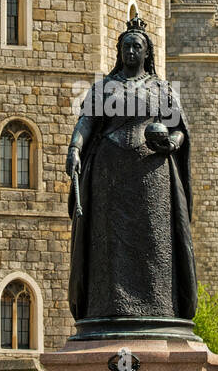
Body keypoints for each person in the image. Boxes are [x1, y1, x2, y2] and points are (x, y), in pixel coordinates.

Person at [66, 17, 197, 326]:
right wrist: (74, 148)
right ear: (119, 51)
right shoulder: (104, 88)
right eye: (126, 47)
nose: (131, 52)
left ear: (147, 52)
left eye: (137, 47)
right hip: (109, 173)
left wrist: (171, 144)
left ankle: (157, 306)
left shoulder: (161, 89)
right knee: (107, 242)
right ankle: (106, 307)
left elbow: (180, 130)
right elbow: (86, 122)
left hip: (152, 174)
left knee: (154, 240)